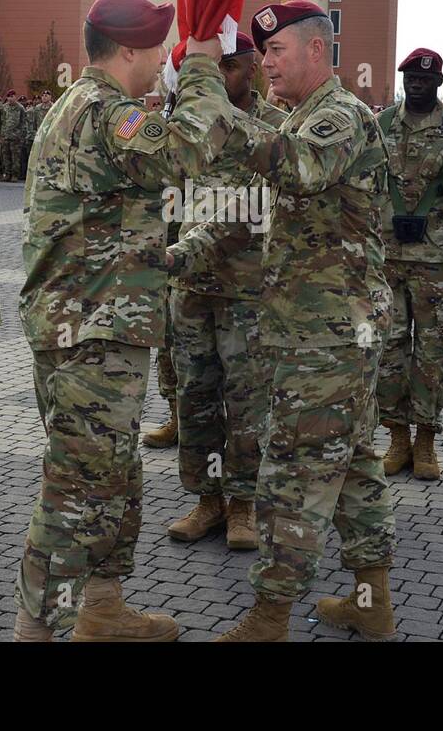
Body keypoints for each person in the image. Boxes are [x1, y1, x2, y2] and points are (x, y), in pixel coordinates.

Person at [170, 0, 396, 642]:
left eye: (277, 51)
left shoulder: (340, 117)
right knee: (352, 468)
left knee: (292, 474)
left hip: (326, 337)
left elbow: (299, 166)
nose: (265, 63)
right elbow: (245, 197)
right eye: (261, 53)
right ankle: (370, 603)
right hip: (314, 332)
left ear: (318, 52)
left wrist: (213, 96)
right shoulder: (300, 117)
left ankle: (269, 618)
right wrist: (181, 251)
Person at [14, 0, 238, 642]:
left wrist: (185, 250)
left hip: (97, 323)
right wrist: (201, 67)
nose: (164, 58)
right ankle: (36, 632)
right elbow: (187, 153)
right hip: (89, 336)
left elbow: (104, 236)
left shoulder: (82, 109)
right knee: (76, 488)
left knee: (114, 477)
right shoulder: (106, 113)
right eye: (161, 48)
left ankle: (103, 611)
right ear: (132, 51)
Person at [164, 33, 287, 550]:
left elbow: (254, 210)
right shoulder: (188, 128)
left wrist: (183, 249)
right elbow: (166, 196)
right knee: (193, 397)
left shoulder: (275, 131)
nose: (221, 77)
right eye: (215, 68)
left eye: (231, 67)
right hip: (189, 289)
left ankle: (242, 503)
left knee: (246, 400)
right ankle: (206, 499)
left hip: (246, 290)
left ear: (252, 69)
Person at [376, 49, 443, 481]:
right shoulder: (381, 124)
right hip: (386, 260)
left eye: (425, 79)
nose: (416, 84)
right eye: (410, 77)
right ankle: (396, 438)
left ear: (439, 82)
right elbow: (365, 189)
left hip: (439, 262)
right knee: (389, 352)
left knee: (432, 355)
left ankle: (426, 442)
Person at [0, 91, 24, 182]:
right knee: (6, 156)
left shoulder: (20, 108)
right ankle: (7, 174)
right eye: (9, 97)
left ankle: (15, 175)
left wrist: (20, 135)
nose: (10, 98)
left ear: (15, 97)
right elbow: (2, 121)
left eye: (12, 96)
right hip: (6, 135)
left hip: (16, 137)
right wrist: (2, 135)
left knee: (15, 157)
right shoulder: (4, 107)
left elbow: (23, 122)